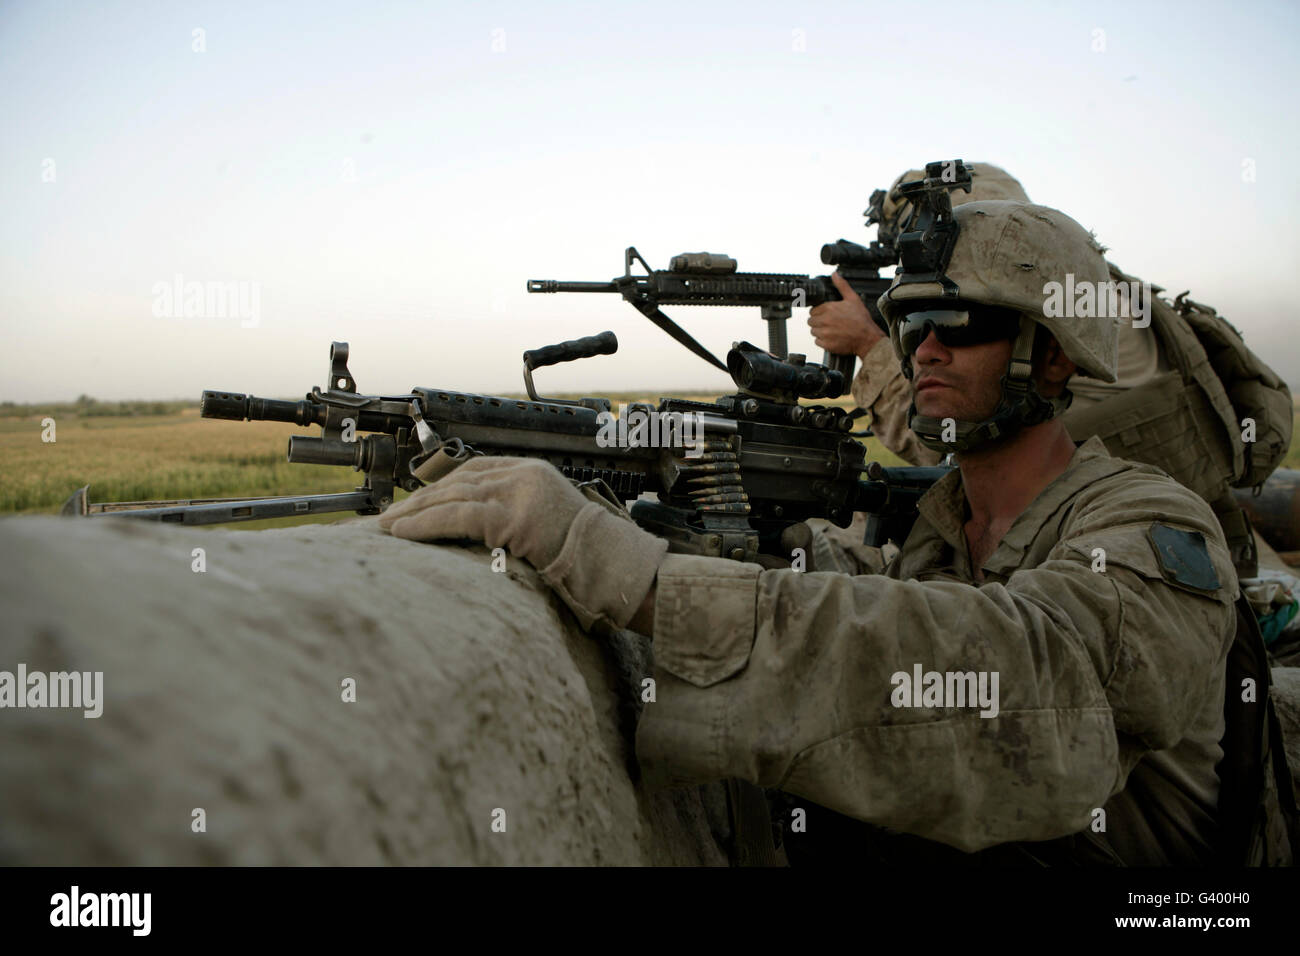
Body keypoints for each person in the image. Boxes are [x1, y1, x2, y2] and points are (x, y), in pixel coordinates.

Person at [378, 199, 1263, 864]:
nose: (923, 351)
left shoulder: (1151, 519)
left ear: (1059, 354)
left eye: (958, 323)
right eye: (911, 326)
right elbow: (897, 599)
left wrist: (641, 577)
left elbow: (1024, 681)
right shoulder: (942, 527)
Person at [810, 165, 1291, 581]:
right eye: (915, 326)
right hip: (1138, 522)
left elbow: (942, 439)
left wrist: (870, 346)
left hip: (1096, 540)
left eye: (956, 322)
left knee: (830, 535)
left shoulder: (1052, 315)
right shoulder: (1097, 289)